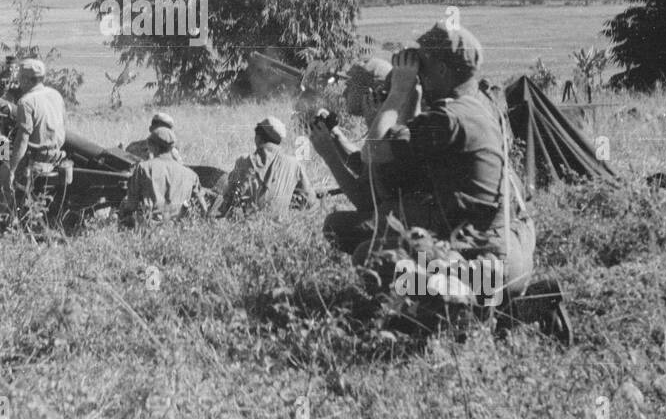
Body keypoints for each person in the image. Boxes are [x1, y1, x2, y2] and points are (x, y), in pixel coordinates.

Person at [349, 22, 535, 308]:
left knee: (369, 259)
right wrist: (416, 98)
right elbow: (410, 160)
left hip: (485, 267)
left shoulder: (448, 118)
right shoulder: (483, 105)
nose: (418, 71)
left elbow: (372, 152)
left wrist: (398, 92)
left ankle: (464, 306)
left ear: (442, 71)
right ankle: (496, 305)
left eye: (423, 63)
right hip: (514, 252)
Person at [310, 59, 393, 236]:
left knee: (335, 224)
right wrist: (335, 135)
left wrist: (329, 155)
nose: (344, 92)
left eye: (351, 86)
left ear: (371, 93)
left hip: (401, 225)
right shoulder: (385, 121)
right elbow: (363, 166)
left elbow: (364, 201)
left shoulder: (387, 131)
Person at [0, 58, 66, 214]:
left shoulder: (26, 102)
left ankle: (1, 220)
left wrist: (11, 171)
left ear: (25, 80)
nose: (18, 82)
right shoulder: (55, 95)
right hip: (55, 157)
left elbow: (22, 140)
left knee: (1, 173)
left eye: (20, 78)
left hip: (34, 162)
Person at [218, 116, 317, 216]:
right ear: (279, 141)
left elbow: (229, 198)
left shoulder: (243, 161)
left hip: (247, 223)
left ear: (258, 138)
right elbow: (310, 201)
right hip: (280, 225)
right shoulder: (294, 164)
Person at [118, 127, 205, 227]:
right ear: (172, 147)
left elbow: (131, 205)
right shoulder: (191, 175)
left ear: (152, 146)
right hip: (178, 230)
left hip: (149, 228)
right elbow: (203, 209)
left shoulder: (143, 168)